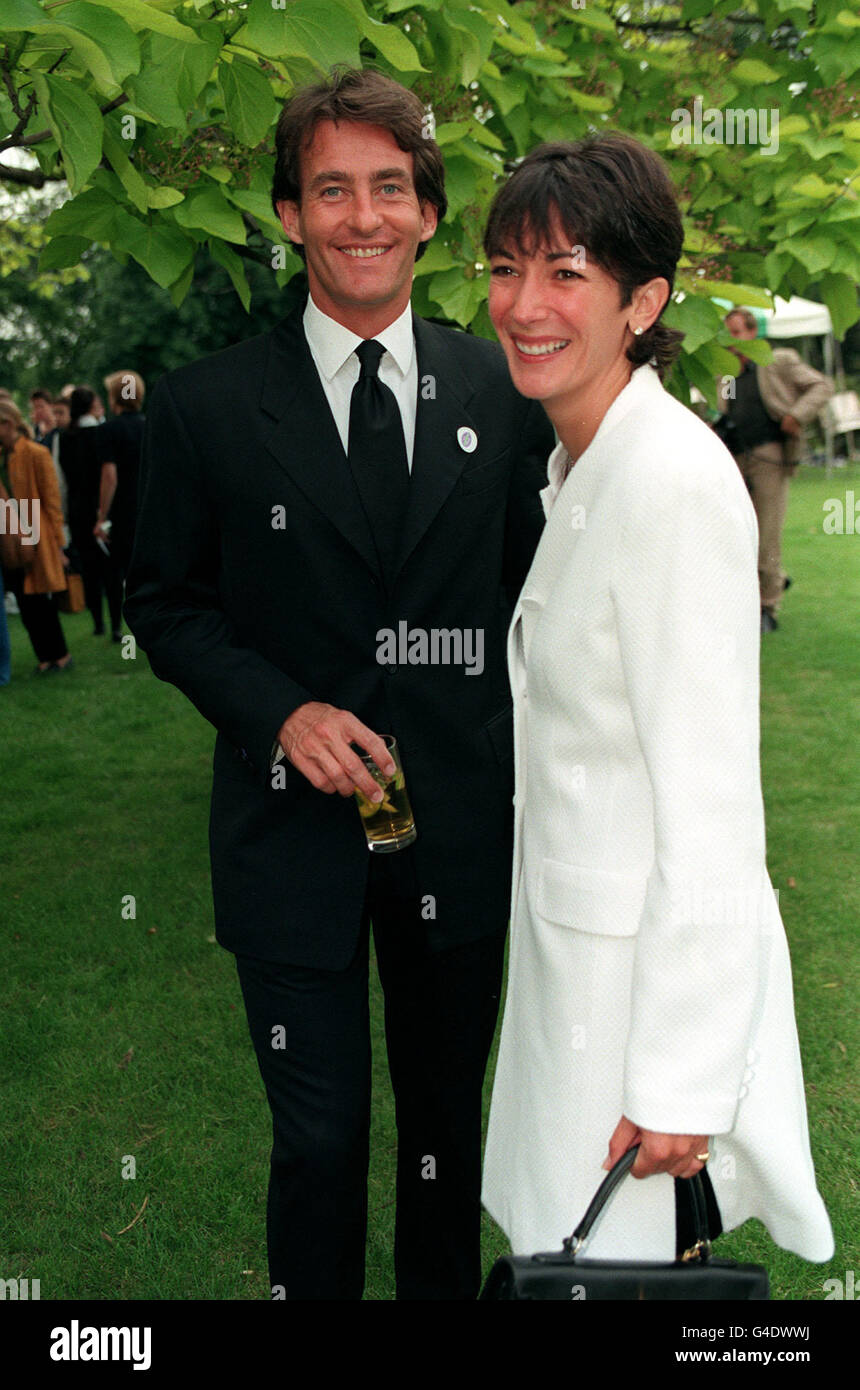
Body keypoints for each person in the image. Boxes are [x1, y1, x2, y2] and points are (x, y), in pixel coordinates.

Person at [125, 67, 553, 1301]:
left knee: (442, 1138)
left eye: (387, 188)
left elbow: (537, 599)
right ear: (287, 214)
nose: (361, 216)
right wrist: (278, 709)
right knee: (317, 1142)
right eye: (329, 190)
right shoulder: (204, 410)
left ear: (427, 213)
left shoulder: (500, 391)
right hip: (287, 838)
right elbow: (165, 602)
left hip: (456, 830)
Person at [480, 136, 833, 1266]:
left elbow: (712, 805)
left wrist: (679, 1079)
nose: (522, 305)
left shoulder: (670, 483)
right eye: (504, 269)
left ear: (643, 301)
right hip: (581, 975)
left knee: (608, 1273)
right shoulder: (587, 465)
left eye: (564, 273)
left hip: (633, 1017)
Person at [720, 308, 833, 633]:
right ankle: (770, 583)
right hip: (736, 456)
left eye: (736, 333)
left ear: (752, 333)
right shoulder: (728, 372)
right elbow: (726, 408)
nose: (731, 341)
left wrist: (796, 415)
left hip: (769, 451)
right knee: (739, 529)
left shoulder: (777, 361)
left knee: (767, 532)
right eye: (727, 334)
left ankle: (768, 606)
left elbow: (821, 386)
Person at [0, 400, 72, 674]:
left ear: (8, 424)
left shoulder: (35, 453)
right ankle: (44, 657)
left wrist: (58, 543)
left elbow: (52, 501)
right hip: (9, 535)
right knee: (24, 599)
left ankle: (60, 655)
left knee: (41, 598)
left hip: (36, 531)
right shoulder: (4, 457)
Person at [93, 370, 146, 641]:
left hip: (122, 512)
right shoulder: (152, 426)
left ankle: (117, 627)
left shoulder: (108, 430)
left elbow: (109, 476)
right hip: (148, 509)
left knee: (115, 572)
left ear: (114, 397)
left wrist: (102, 517)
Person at [60, 386, 104, 635]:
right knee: (110, 567)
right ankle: (116, 625)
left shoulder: (65, 437)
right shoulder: (101, 433)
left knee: (89, 568)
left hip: (77, 509)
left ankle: (98, 622)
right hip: (99, 508)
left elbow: (63, 481)